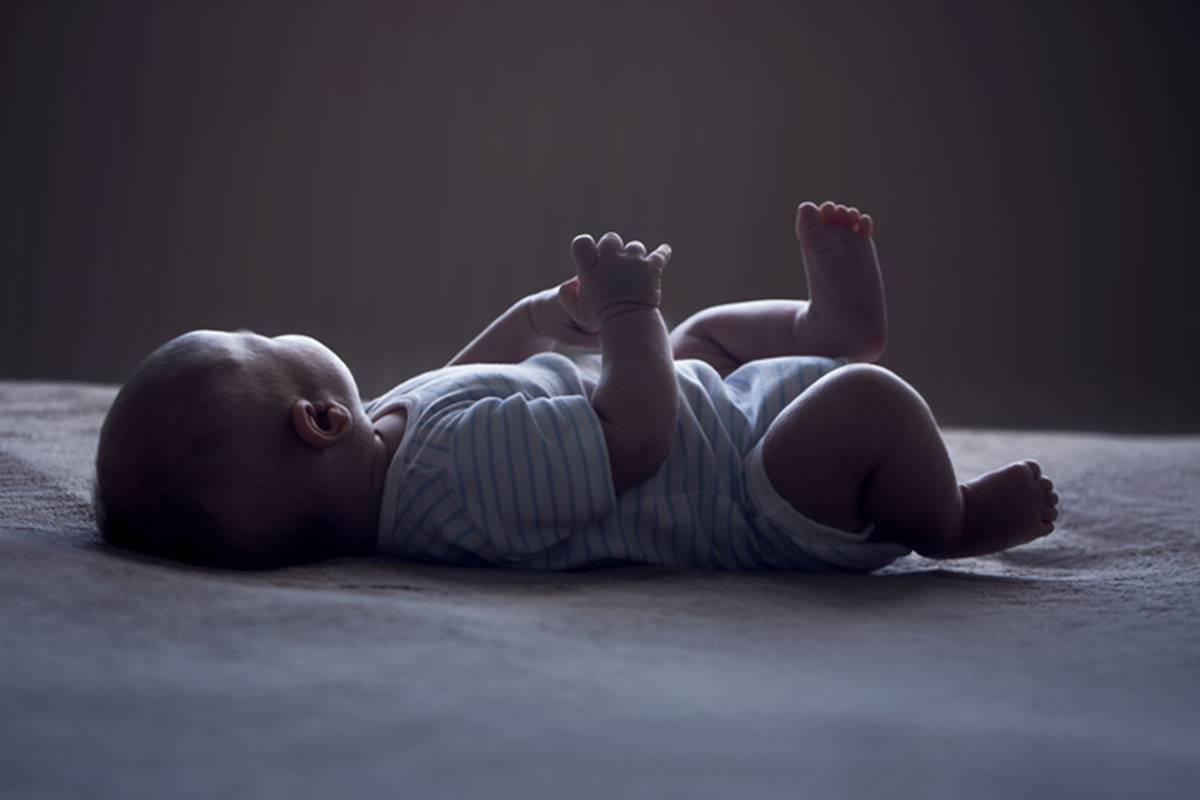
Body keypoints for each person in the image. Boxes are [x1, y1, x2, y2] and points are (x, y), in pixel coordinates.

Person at [93, 201, 1058, 570]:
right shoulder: (449, 486)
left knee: (703, 341)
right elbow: (632, 440)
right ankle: (950, 523)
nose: (279, 327)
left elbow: (462, 379)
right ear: (315, 417)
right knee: (869, 408)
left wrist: (529, 321)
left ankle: (830, 333)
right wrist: (631, 313)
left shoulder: (391, 442)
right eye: (263, 338)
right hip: (760, 492)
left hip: (714, 423)